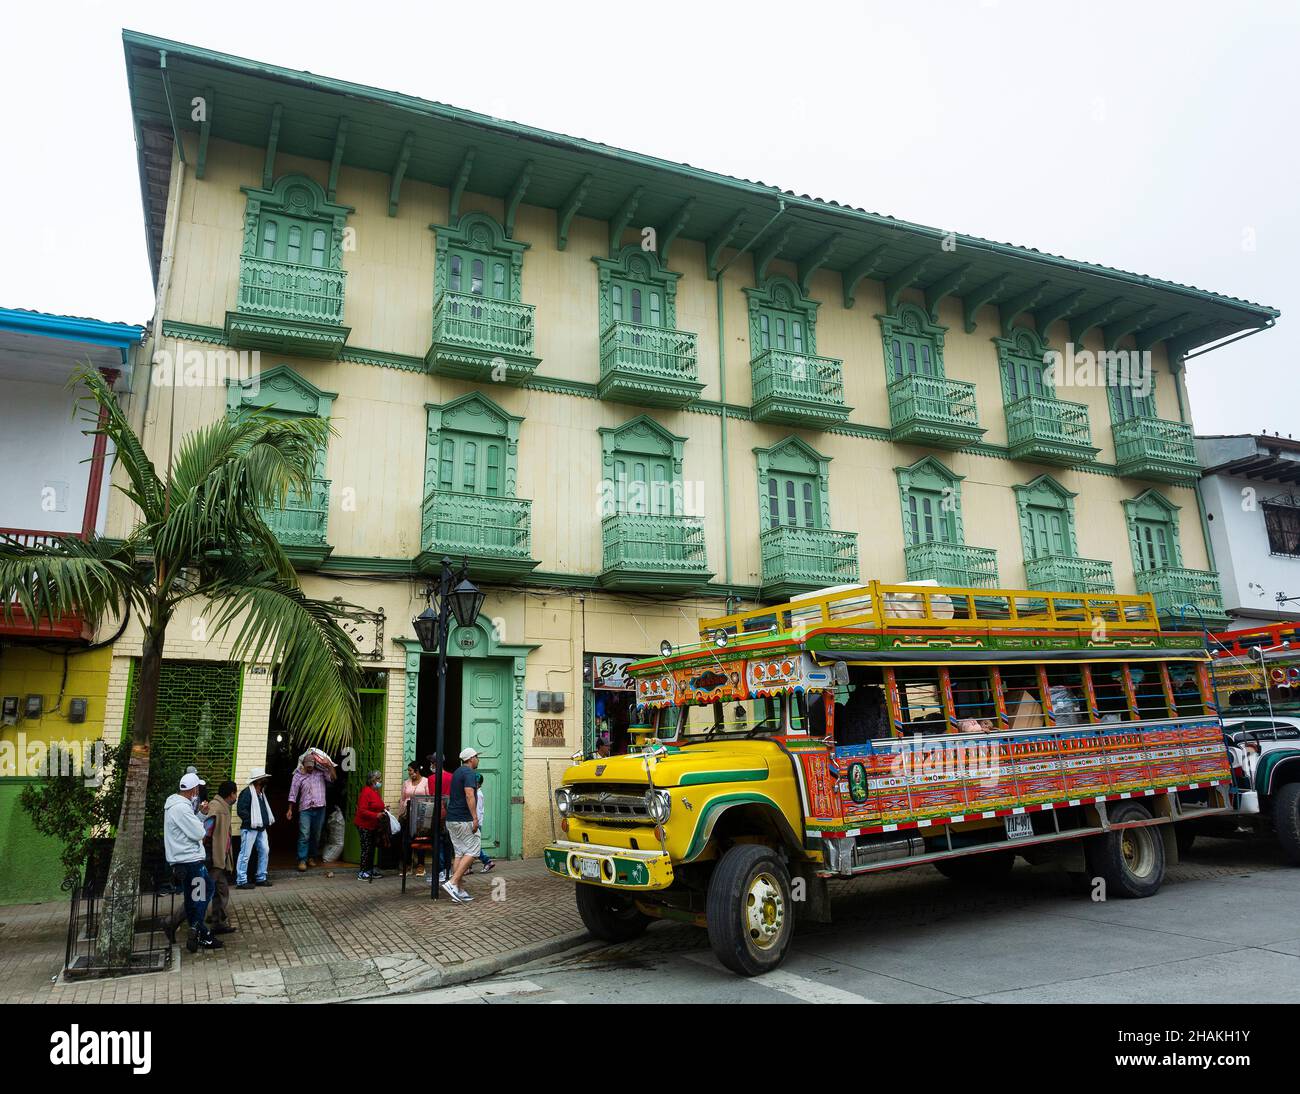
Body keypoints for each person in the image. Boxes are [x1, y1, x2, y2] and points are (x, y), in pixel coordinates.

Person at [164, 772, 222, 953]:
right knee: (206, 891)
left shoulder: (175, 806)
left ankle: (199, 932)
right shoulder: (181, 808)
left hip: (181, 860)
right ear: (194, 789)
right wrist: (202, 820)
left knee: (192, 897)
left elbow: (190, 827)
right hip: (191, 861)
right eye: (198, 788)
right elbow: (198, 833)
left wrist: (201, 816)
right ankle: (197, 928)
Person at [441, 747, 481, 902]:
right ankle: (452, 883)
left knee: (459, 853)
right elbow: (469, 794)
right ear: (471, 758)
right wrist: (475, 818)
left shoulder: (457, 772)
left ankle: (458, 889)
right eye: (477, 756)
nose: (478, 759)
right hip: (464, 819)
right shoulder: (469, 773)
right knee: (473, 850)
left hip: (452, 819)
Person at [286, 748, 335, 872]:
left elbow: (333, 778)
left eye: (311, 766)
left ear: (314, 764)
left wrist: (329, 766)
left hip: (320, 808)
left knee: (316, 835)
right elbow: (293, 792)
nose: (309, 768)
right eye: (307, 766)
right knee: (304, 834)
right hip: (305, 809)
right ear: (303, 764)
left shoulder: (321, 772)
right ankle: (302, 860)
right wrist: (290, 809)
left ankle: (311, 857)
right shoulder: (298, 775)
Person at [206, 780, 238, 936]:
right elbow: (207, 832)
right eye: (235, 792)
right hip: (214, 858)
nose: (236, 796)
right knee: (206, 892)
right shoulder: (217, 808)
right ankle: (173, 921)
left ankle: (217, 921)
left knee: (221, 890)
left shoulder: (221, 807)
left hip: (219, 857)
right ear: (231, 794)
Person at [235, 769, 275, 889]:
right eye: (263, 778)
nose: (265, 780)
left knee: (264, 850)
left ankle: (261, 877)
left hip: (261, 828)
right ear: (258, 781)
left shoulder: (261, 793)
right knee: (245, 854)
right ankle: (241, 880)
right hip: (250, 828)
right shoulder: (247, 793)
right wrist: (252, 821)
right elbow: (241, 811)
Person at [354, 770, 388, 881]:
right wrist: (376, 815)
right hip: (364, 825)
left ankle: (369, 870)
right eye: (378, 779)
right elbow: (362, 810)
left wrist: (383, 809)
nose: (380, 781)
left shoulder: (375, 792)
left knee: (372, 848)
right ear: (372, 780)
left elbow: (376, 806)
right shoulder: (366, 792)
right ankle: (362, 872)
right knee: (366, 848)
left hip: (373, 825)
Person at [399, 761, 430, 876]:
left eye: (410, 770)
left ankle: (420, 866)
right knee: (407, 841)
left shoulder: (426, 781)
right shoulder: (406, 783)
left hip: (421, 815)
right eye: (408, 770)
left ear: (417, 771)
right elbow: (402, 799)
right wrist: (400, 814)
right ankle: (408, 865)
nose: (409, 773)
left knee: (421, 839)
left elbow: (429, 798)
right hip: (408, 815)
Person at [474, 771, 495, 872]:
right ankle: (468, 868)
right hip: (476, 823)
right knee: (471, 846)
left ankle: (487, 861)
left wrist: (475, 823)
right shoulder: (476, 793)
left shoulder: (478, 795)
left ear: (479, 784)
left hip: (476, 824)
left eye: (475, 782)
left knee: (474, 846)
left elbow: (477, 811)